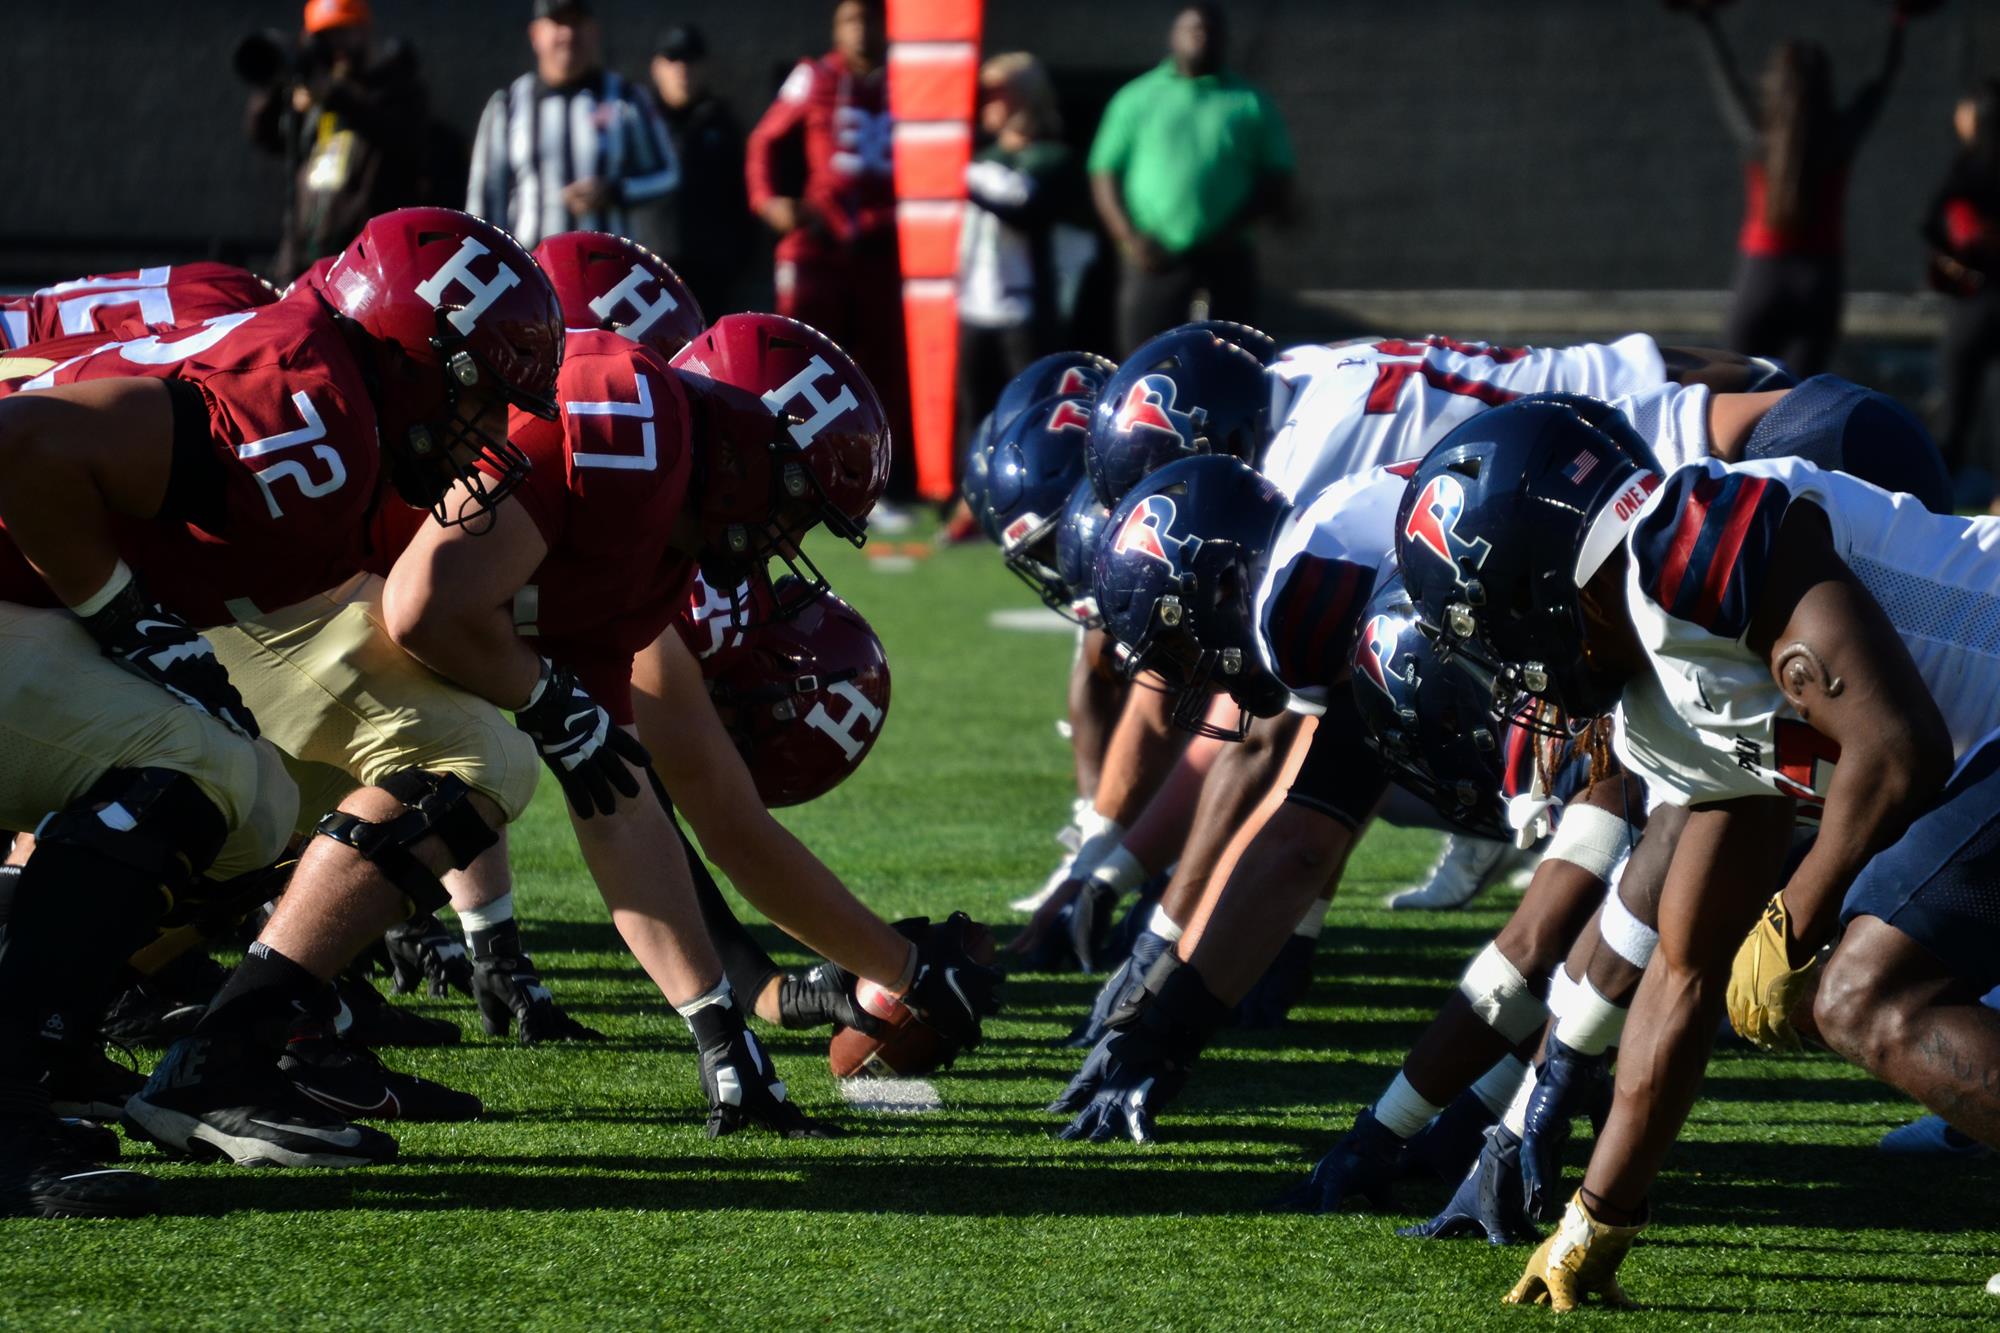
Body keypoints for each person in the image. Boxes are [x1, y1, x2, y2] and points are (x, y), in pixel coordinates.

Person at [1394, 395, 2000, 1310]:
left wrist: (1795, 921)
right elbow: (1679, 974)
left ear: (1531, 587)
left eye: (1500, 638)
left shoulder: (1689, 541)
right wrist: (1597, 1217)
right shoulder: (1660, 710)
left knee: (1866, 992)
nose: (1518, 675)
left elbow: (1899, 747)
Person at [744, 0, 916, 507]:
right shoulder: (814, 75)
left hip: (886, 244)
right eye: (851, 19)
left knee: (884, 371)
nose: (862, 30)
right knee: (801, 361)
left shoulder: (908, 80)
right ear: (837, 27)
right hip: (822, 239)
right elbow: (764, 140)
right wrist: (768, 201)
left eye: (871, 18)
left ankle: (879, 484)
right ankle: (787, 477)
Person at [1686, 2, 1917, 376]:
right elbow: (1879, 85)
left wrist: (1704, 22)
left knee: (1735, 396)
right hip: (1819, 281)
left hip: (1762, 276)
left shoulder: (1757, 137)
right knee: (1799, 408)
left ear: (1772, 86)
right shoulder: (1839, 138)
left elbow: (1726, 80)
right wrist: (1899, 23)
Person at [1088, 4, 1294, 357]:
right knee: (1145, 357)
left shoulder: (1248, 101)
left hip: (1226, 255)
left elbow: (1277, 176)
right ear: (1173, 36)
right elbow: (1104, 172)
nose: (1201, 36)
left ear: (1225, 41)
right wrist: (1130, 238)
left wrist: (1228, 230)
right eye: (1192, 28)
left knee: (1233, 358)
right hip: (1152, 256)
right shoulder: (1137, 97)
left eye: (1210, 30)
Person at [957, 54, 1093, 474]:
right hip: (973, 297)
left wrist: (958, 175)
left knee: (1032, 403)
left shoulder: (1052, 158)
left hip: (1027, 302)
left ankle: (1037, 480)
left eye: (995, 97)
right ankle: (971, 492)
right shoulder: (983, 156)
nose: (985, 107)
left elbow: (1023, 207)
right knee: (974, 407)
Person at [467, 0, 681, 251]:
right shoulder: (508, 104)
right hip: (532, 270)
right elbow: (484, 198)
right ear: (536, 34)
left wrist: (615, 191)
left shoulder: (626, 98)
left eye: (577, 23)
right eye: (558, 23)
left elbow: (668, 173)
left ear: (594, 31)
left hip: (608, 271)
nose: (568, 34)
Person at [244, 0, 431, 283]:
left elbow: (400, 136)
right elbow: (263, 136)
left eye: (344, 33)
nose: (337, 45)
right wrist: (279, 85)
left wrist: (332, 94)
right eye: (326, 37)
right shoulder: (311, 96)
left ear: (365, 32)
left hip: (367, 259)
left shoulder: (394, 86)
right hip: (304, 256)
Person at [1924, 80, 2000, 509]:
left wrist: (1955, 261)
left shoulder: (1967, 168)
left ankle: (1930, 505)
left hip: (1972, 306)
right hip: (1977, 302)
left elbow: (1933, 224)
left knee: (1953, 419)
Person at [644, 24, 750, 318]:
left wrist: (736, 258)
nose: (682, 70)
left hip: (709, 271)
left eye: (690, 60)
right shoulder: (638, 120)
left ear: (704, 67)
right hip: (647, 269)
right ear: (656, 67)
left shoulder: (721, 121)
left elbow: (740, 195)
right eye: (673, 59)